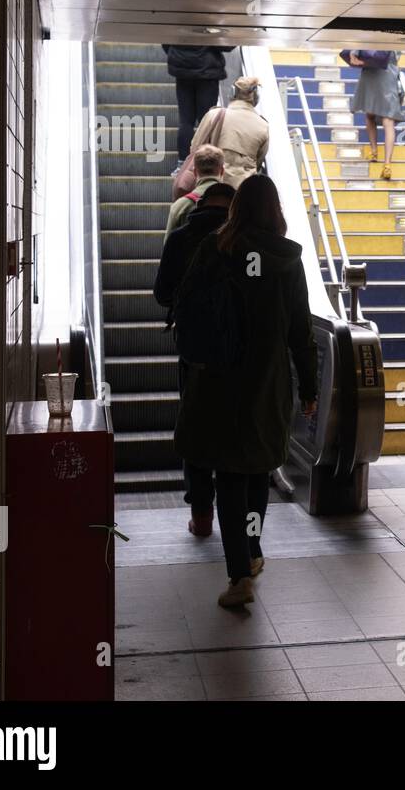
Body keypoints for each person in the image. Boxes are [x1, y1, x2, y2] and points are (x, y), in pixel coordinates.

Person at [173, 176, 319, 607]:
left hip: (219, 380)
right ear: (275, 210)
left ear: (238, 208)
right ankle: (250, 552)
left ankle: (240, 573)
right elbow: (301, 331)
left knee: (228, 477)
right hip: (267, 382)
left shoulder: (216, 248)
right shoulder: (286, 260)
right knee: (257, 474)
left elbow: (183, 305)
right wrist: (309, 387)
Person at [153, 181, 237, 536]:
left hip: (194, 352)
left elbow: (161, 294)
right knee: (236, 430)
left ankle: (202, 515)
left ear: (198, 205)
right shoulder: (246, 243)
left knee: (196, 428)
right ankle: (239, 517)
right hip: (241, 357)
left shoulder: (180, 238)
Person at [162, 44, 234, 170]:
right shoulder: (210, 23)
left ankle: (182, 164)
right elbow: (227, 45)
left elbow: (166, 40)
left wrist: (179, 54)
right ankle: (207, 166)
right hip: (208, 72)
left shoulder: (179, 23)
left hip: (183, 70)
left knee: (186, 121)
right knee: (206, 122)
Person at [189, 76, 269, 189]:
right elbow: (259, 160)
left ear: (232, 92)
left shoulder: (214, 115)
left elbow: (195, 147)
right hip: (244, 189)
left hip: (212, 186)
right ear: (256, 97)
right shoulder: (263, 125)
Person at [347, 49, 404, 181]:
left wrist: (353, 52)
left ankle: (374, 153)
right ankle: (387, 165)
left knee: (370, 114)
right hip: (389, 73)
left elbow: (362, 43)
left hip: (371, 71)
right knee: (388, 121)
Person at [164, 145, 224, 239]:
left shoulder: (180, 206)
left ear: (195, 172)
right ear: (222, 171)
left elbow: (168, 248)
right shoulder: (235, 204)